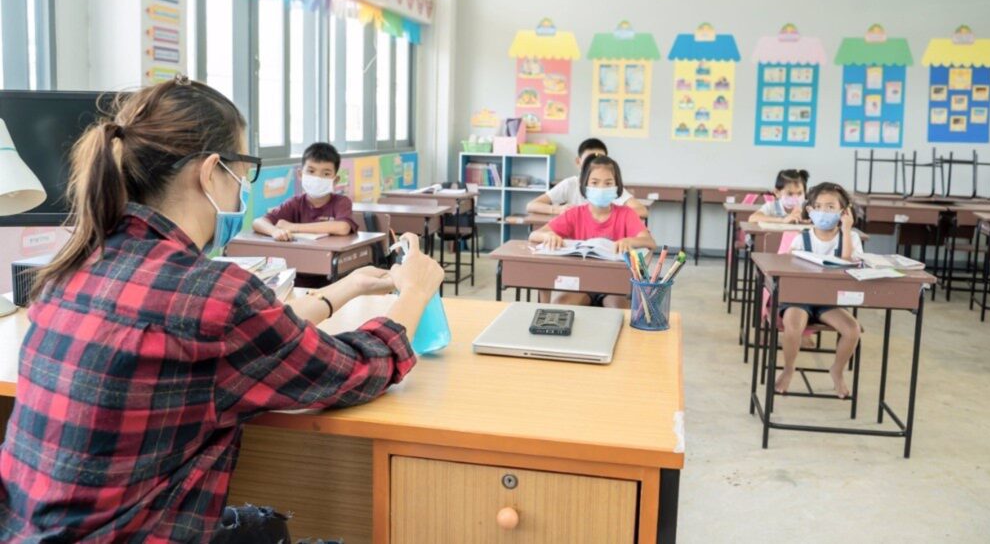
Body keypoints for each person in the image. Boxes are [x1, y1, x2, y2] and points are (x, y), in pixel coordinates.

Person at [0, 78, 444, 542]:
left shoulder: (72, 268)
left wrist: (344, 289)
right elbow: (357, 370)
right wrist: (412, 294)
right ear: (211, 171)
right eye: (243, 170)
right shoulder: (211, 296)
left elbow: (253, 336)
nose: (240, 191)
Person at [529, 155, 656, 308]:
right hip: (580, 284)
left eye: (608, 183)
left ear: (617, 187)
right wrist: (548, 235)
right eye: (594, 183)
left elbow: (649, 242)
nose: (601, 188)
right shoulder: (574, 214)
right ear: (585, 185)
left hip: (614, 286)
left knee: (619, 312)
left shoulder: (626, 214)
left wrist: (629, 241)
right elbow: (534, 235)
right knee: (560, 307)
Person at [775, 182, 863, 399]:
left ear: (844, 212)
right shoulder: (801, 238)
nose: (825, 211)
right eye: (819, 206)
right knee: (793, 327)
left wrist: (846, 230)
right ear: (810, 211)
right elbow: (788, 271)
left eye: (831, 207)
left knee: (853, 329)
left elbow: (848, 266)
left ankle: (837, 370)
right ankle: (788, 369)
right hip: (799, 298)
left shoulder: (851, 238)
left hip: (828, 301)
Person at [253, 142, 356, 242]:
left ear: (336, 180)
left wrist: (293, 227)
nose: (317, 178)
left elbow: (343, 227)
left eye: (326, 174)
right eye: (311, 171)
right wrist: (275, 231)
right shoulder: (295, 203)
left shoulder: (341, 202)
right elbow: (258, 222)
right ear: (300, 175)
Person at [526, 138, 648, 219]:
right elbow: (532, 205)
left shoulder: (610, 187)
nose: (594, 166)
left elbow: (641, 210)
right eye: (588, 161)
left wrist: (609, 214)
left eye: (600, 160)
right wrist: (557, 209)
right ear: (578, 162)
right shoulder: (570, 184)